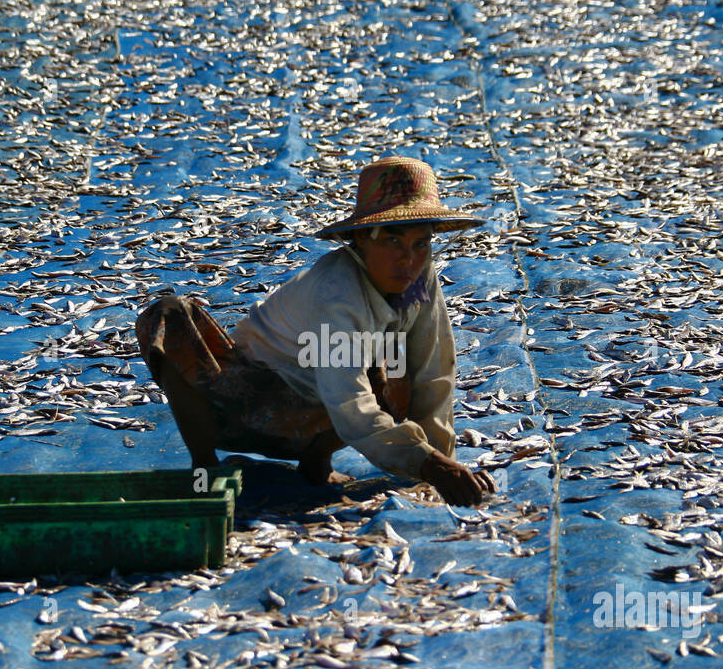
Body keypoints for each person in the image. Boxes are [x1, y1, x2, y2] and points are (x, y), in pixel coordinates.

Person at [135, 155, 496, 506]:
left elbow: (434, 370)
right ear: (361, 241)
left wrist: (437, 462)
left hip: (317, 413)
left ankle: (316, 461)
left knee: (396, 361)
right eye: (392, 241)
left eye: (421, 244)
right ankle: (205, 468)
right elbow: (351, 405)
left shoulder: (419, 276)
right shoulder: (336, 292)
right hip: (246, 407)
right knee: (170, 314)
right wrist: (430, 464)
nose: (409, 260)